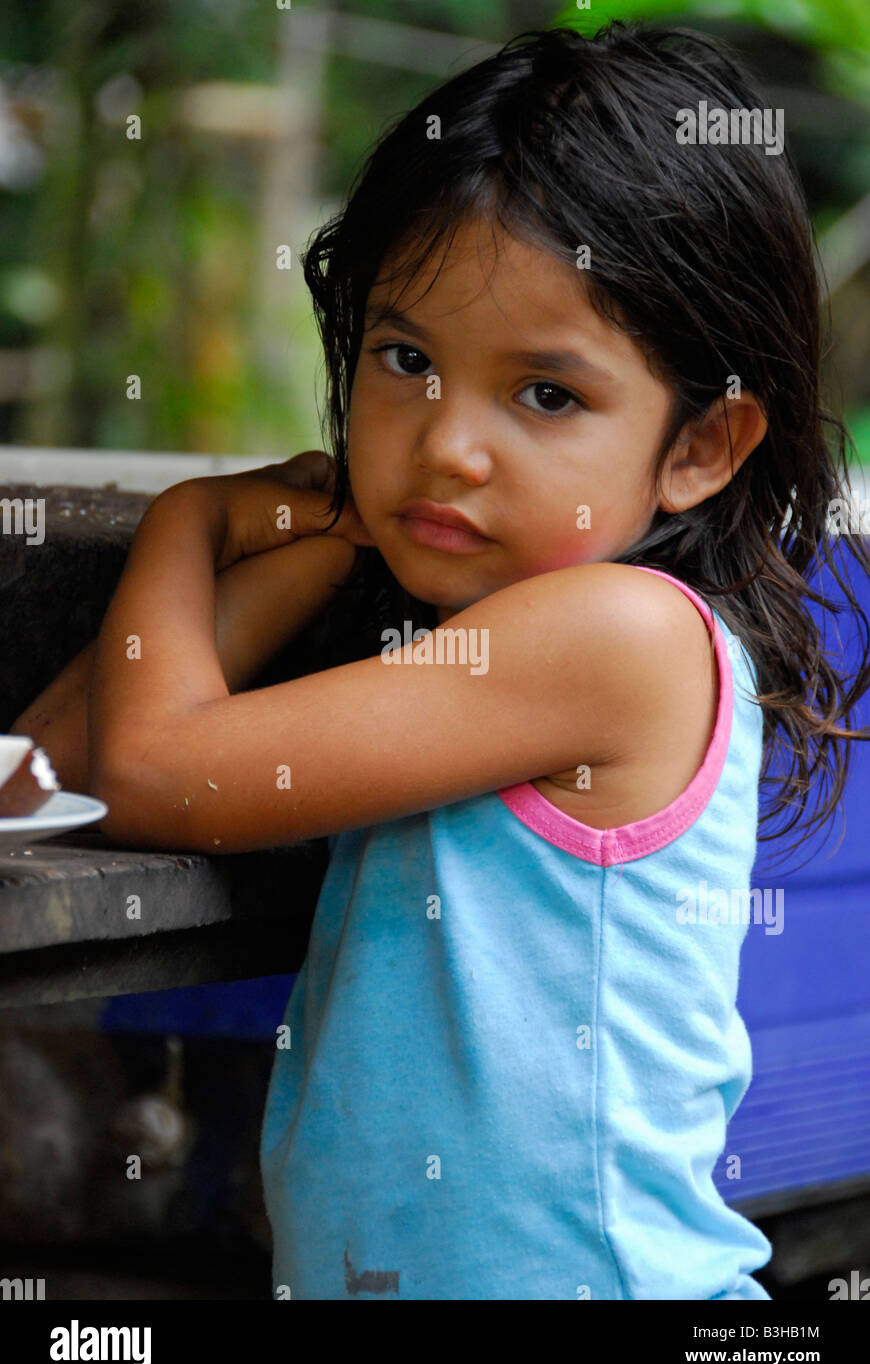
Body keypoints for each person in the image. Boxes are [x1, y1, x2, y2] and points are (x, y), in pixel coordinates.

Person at [25, 22, 870, 1298]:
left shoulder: (617, 637)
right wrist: (316, 546)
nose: (448, 447)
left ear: (701, 446)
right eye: (407, 359)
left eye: (545, 394)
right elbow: (52, 765)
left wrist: (189, 522)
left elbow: (150, 772)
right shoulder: (448, 623)